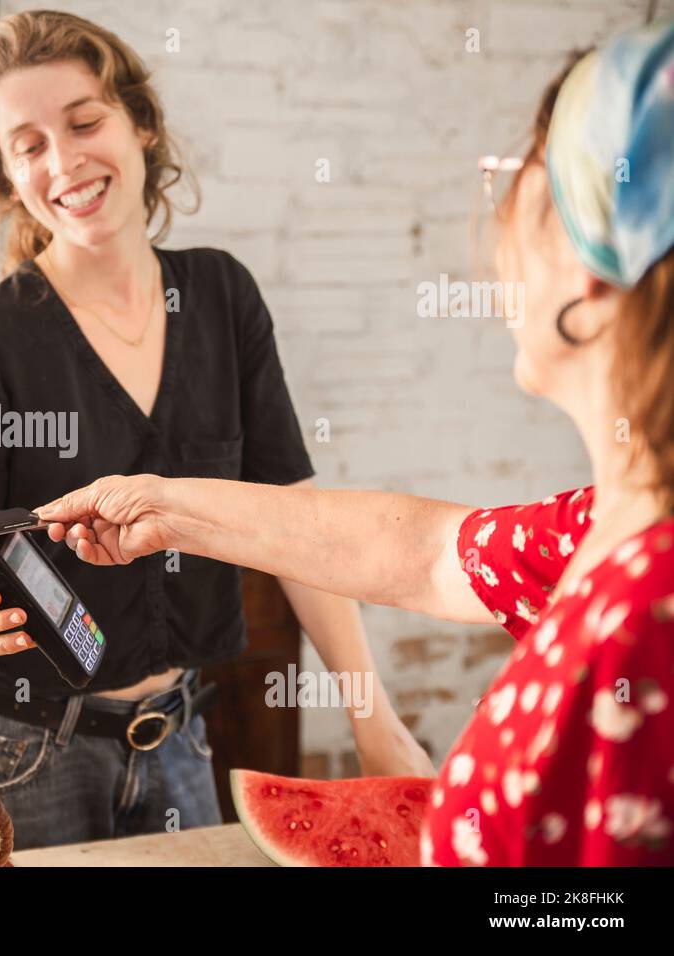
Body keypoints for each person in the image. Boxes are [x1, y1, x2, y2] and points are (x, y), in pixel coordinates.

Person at [37, 21, 674, 866]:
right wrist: (164, 506)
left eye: (518, 182)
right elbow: (421, 551)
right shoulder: (604, 532)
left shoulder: (642, 625)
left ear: (591, 277)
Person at [0, 9, 428, 859]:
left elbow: (299, 524)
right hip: (8, 753)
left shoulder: (221, 297)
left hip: (174, 738)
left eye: (83, 122)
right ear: (6, 173)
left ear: (140, 123)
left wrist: (374, 716)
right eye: (28, 144)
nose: (64, 162)